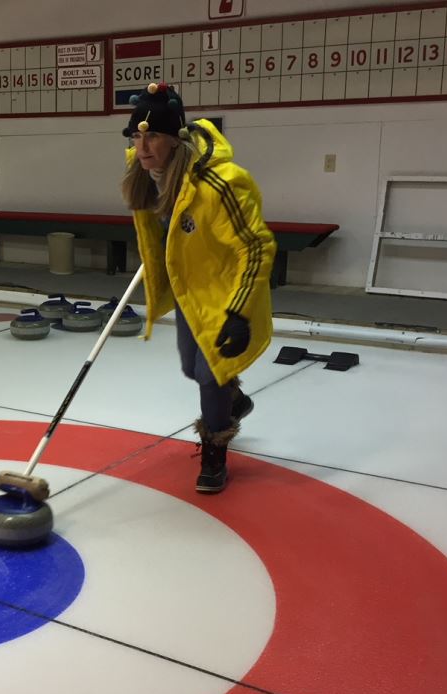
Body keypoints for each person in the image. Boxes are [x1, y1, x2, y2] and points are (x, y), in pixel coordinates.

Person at [120, 82, 275, 493]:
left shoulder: (220, 183)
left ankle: (214, 451)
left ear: (175, 138)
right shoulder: (146, 173)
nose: (142, 146)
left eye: (153, 136)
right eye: (136, 136)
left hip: (227, 293)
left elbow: (256, 247)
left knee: (209, 375)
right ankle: (233, 401)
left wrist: (239, 312)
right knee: (193, 368)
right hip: (190, 291)